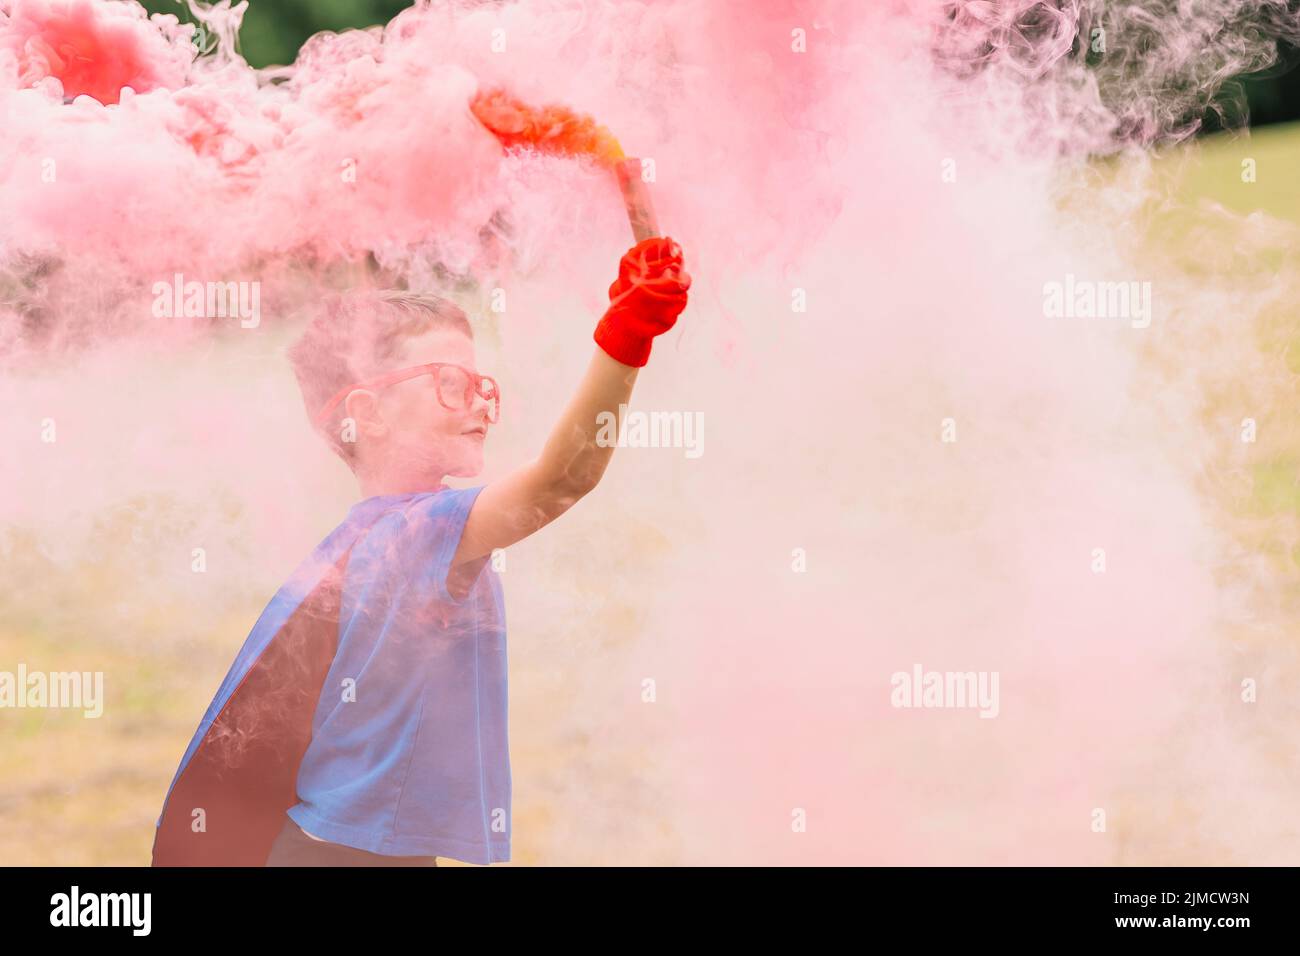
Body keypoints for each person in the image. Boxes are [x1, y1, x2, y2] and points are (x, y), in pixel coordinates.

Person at [150, 237, 691, 866]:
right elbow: (562, 480)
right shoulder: (414, 535)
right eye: (449, 383)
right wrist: (626, 338)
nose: (481, 404)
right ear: (368, 413)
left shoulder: (365, 538)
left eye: (482, 384)